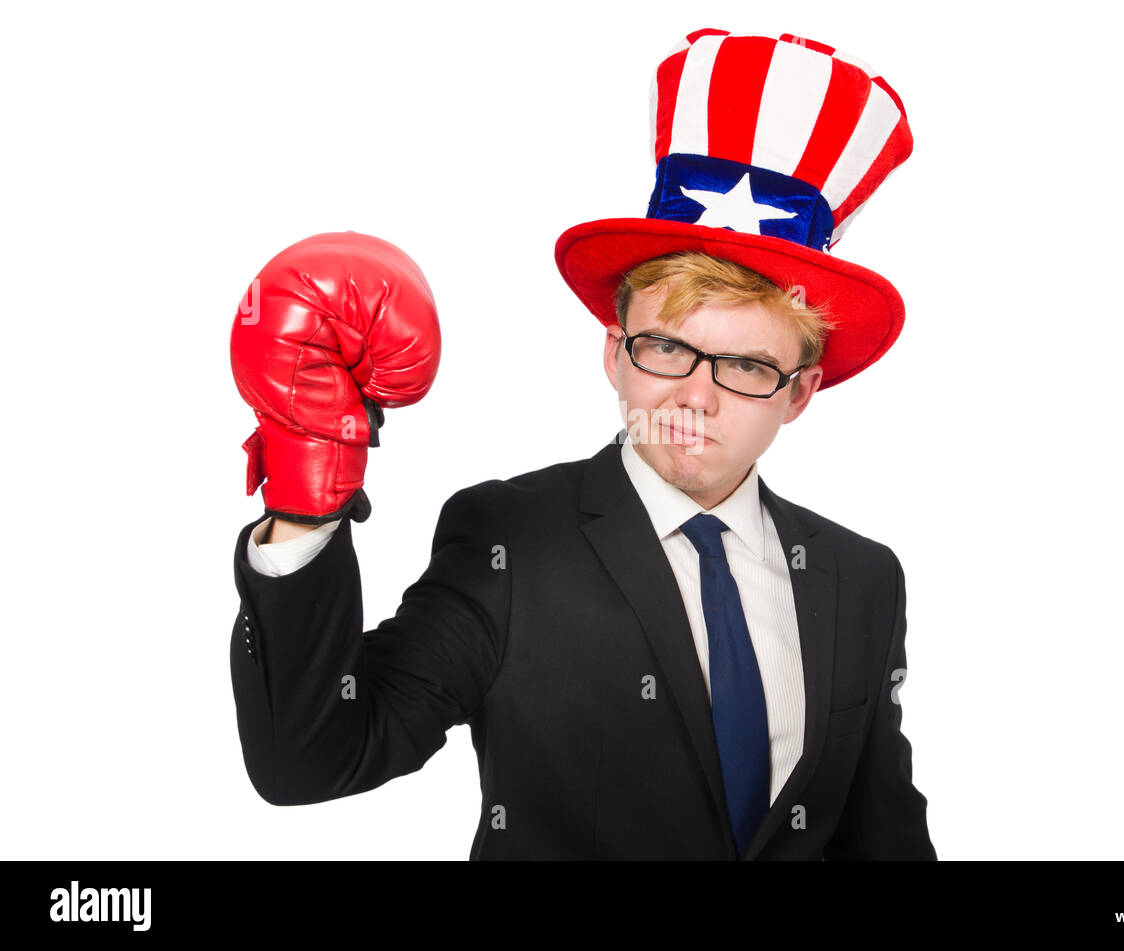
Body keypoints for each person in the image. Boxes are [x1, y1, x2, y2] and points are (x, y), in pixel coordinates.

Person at [229, 27, 936, 860]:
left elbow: (882, 837)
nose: (696, 395)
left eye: (746, 363)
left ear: (801, 391)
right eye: (667, 346)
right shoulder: (510, 540)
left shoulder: (862, 577)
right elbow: (311, 756)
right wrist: (305, 495)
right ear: (614, 349)